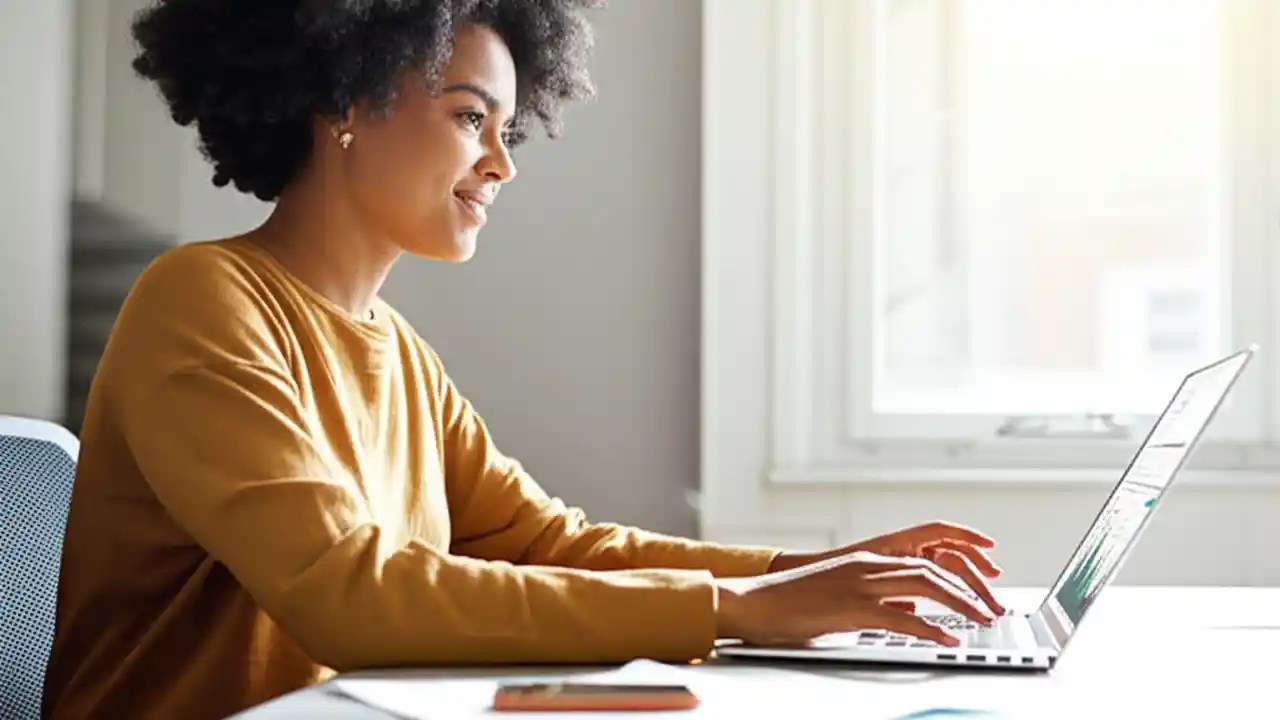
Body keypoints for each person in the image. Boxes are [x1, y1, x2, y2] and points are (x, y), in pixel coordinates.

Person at [41, 1, 1007, 718]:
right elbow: (351, 594)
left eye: (507, 127)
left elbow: (552, 543)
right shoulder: (201, 302)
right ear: (343, 100)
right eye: (471, 117)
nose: (502, 162)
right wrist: (736, 608)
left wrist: (821, 574)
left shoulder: (401, 357)